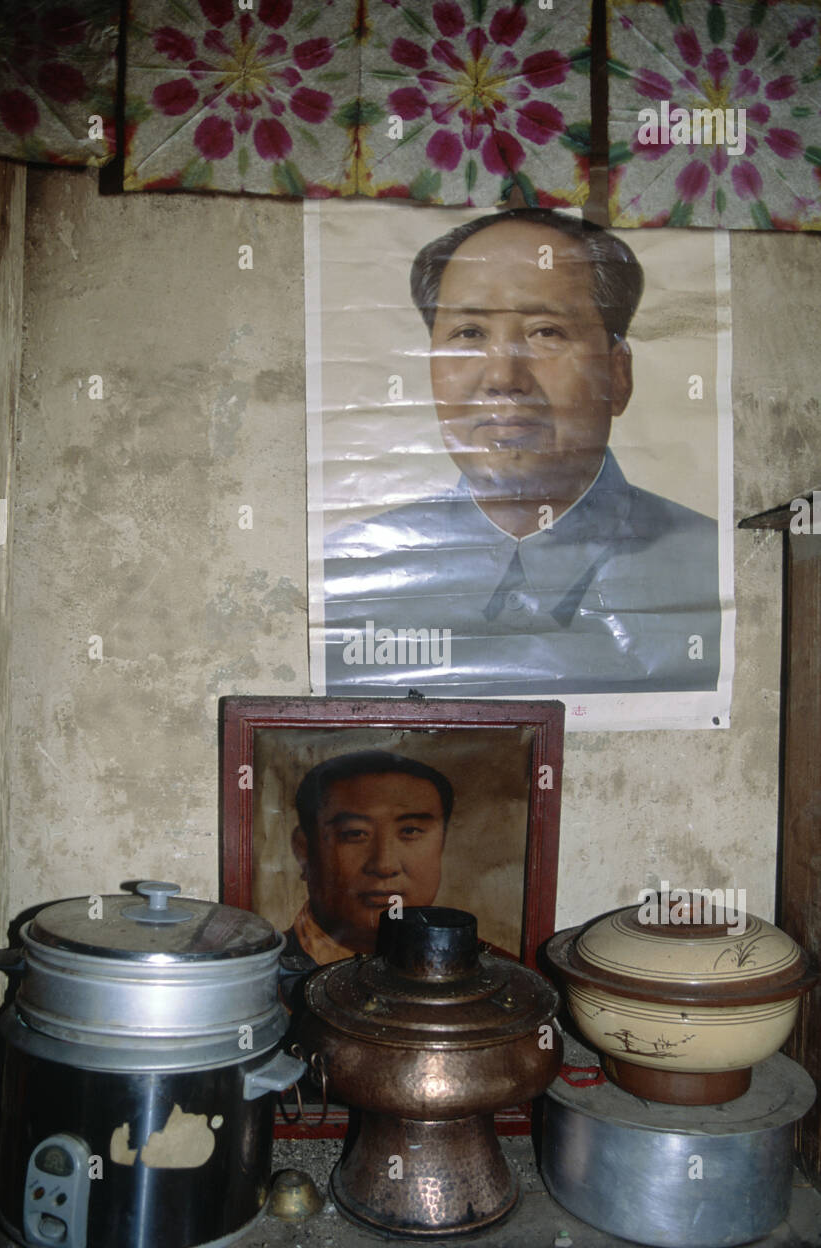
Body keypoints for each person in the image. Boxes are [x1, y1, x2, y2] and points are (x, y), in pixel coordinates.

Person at [320, 207, 721, 696]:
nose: (504, 379)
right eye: (469, 334)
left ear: (618, 376)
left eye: (546, 332)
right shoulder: (345, 573)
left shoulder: (716, 565)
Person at [280, 750, 453, 989]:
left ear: (442, 843)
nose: (385, 865)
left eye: (410, 831)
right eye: (355, 834)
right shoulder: (261, 978)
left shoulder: (497, 971)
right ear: (304, 850)